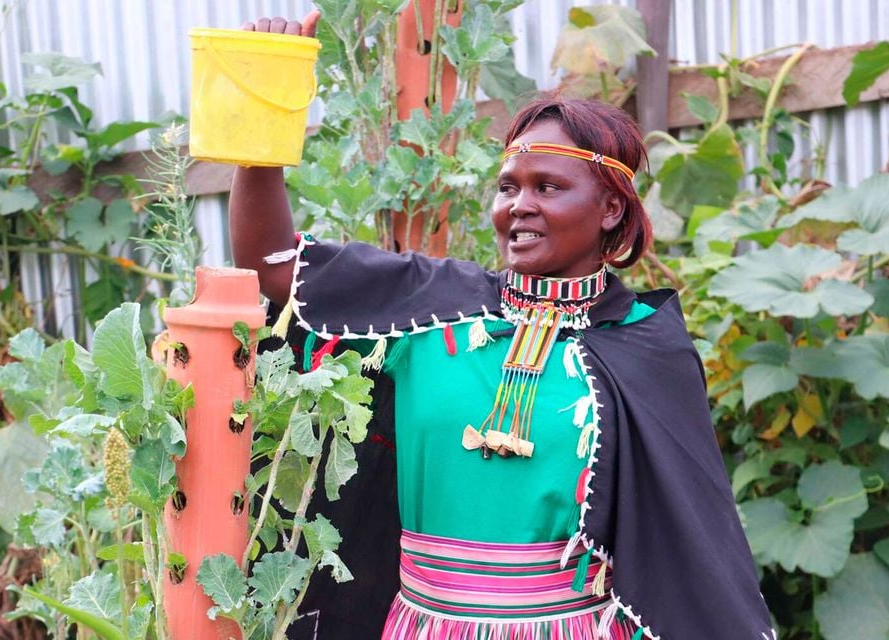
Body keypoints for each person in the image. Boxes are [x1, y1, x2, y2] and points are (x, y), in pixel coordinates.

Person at [230, 12, 775, 639]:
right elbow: (270, 261)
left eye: (548, 187)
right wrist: (267, 94)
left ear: (609, 209)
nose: (520, 206)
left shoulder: (646, 345)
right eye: (508, 187)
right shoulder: (428, 305)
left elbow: (691, 537)